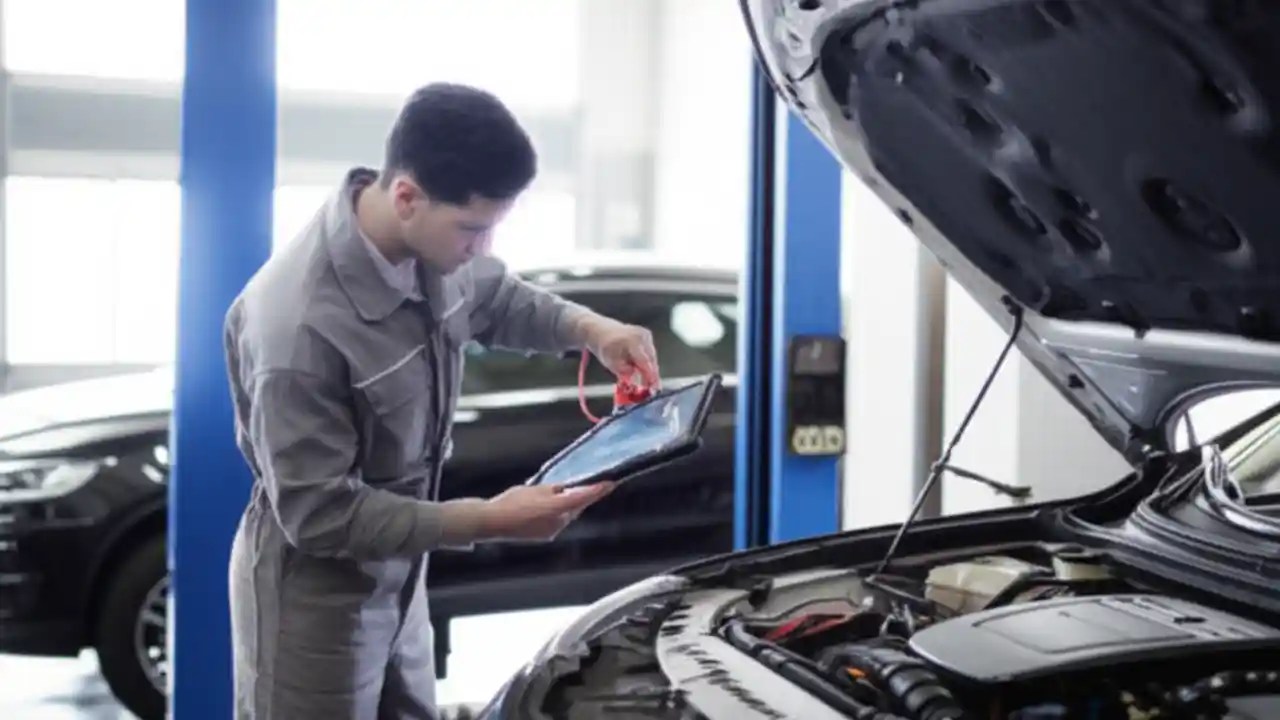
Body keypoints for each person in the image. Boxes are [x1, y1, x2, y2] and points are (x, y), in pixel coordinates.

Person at [222, 82, 662, 719]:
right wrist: (489, 520)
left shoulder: (434, 248)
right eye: (473, 230)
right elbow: (319, 515)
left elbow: (498, 298)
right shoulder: (297, 325)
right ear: (406, 196)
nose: (482, 248)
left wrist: (592, 329)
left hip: (402, 580)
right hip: (311, 603)